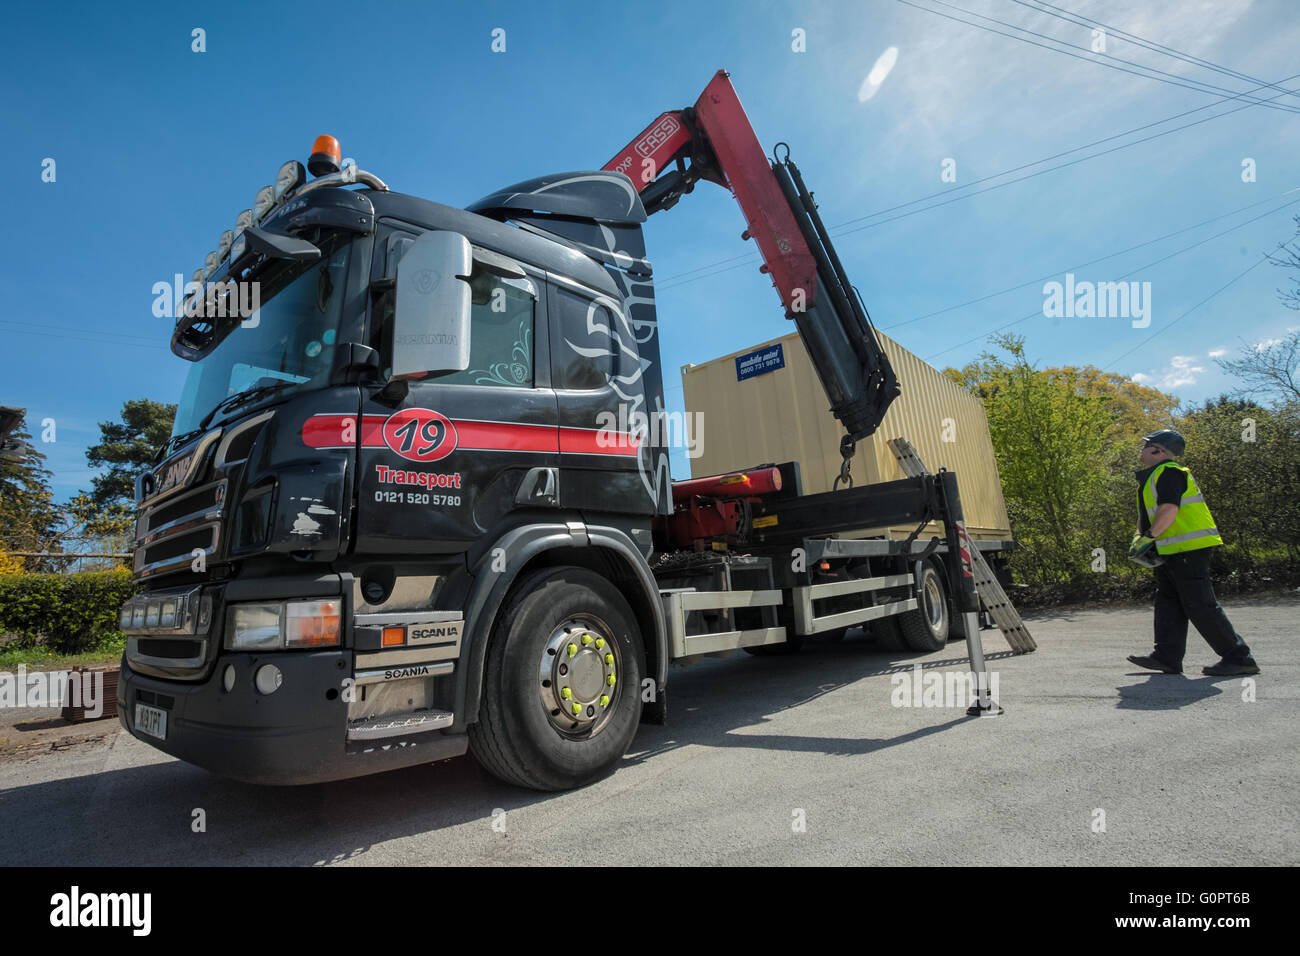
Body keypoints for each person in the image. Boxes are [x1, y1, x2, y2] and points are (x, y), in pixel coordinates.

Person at [1126, 429, 1259, 676]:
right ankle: (1166, 657)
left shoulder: (1169, 472)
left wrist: (1149, 537)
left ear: (1158, 451)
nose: (1141, 449)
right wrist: (1140, 537)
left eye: (1146, 445)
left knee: (1200, 605)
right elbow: (1149, 514)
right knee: (1169, 603)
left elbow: (1169, 509)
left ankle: (1239, 658)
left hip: (1187, 549)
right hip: (1172, 549)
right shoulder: (1155, 476)